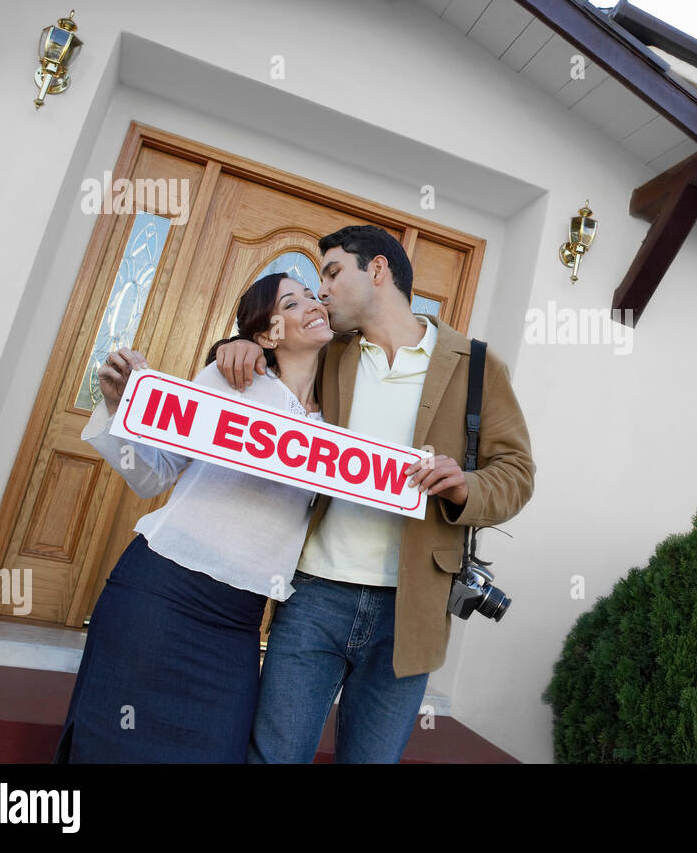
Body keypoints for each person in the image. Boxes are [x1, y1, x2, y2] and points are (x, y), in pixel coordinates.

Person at [214, 225, 535, 763]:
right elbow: (269, 370)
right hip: (313, 595)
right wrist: (240, 344)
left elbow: (518, 472)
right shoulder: (328, 354)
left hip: (411, 608)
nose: (323, 292)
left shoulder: (478, 366)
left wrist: (466, 487)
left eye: (333, 273)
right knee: (273, 757)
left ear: (379, 270)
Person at [54, 272, 335, 763]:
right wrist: (121, 407)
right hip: (160, 593)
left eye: (313, 295)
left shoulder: (336, 421)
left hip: (238, 624)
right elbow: (153, 477)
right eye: (293, 301)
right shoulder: (233, 381)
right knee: (112, 747)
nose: (313, 303)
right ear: (268, 334)